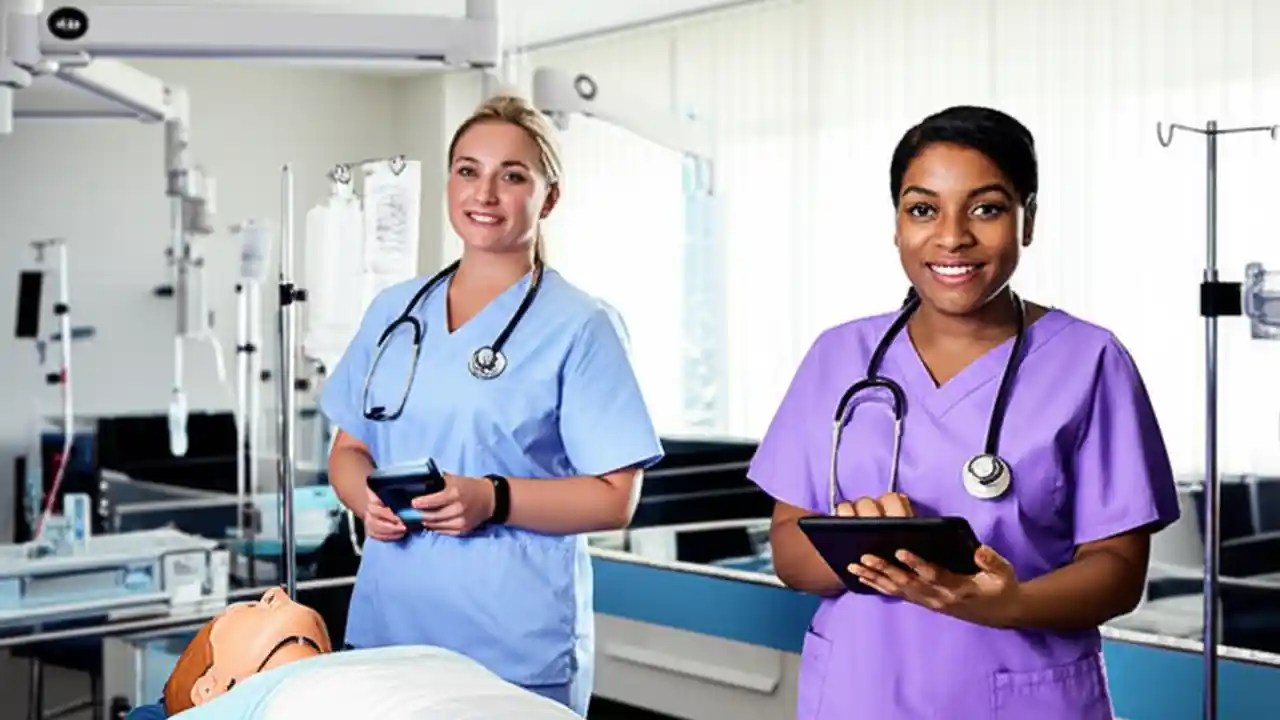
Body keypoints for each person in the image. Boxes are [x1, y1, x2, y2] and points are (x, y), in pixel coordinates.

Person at [748, 105, 1181, 719]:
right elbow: (789, 551)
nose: (952, 237)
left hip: (1024, 695)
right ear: (897, 224)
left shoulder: (1089, 360)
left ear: (1028, 220)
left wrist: (1009, 605)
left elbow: (1117, 570)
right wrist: (868, 549)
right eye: (923, 209)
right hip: (861, 691)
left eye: (986, 208)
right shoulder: (838, 355)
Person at [318, 94, 664, 717]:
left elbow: (617, 498)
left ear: (548, 198)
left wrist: (492, 498)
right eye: (468, 170)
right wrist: (363, 499)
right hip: (389, 634)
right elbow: (350, 449)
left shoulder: (580, 325)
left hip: (510, 647)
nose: (485, 192)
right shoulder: (394, 311)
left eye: (513, 176)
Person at [124, 587, 582, 719]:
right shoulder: (248, 707)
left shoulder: (417, 658)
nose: (276, 592)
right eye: (251, 607)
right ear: (211, 689)